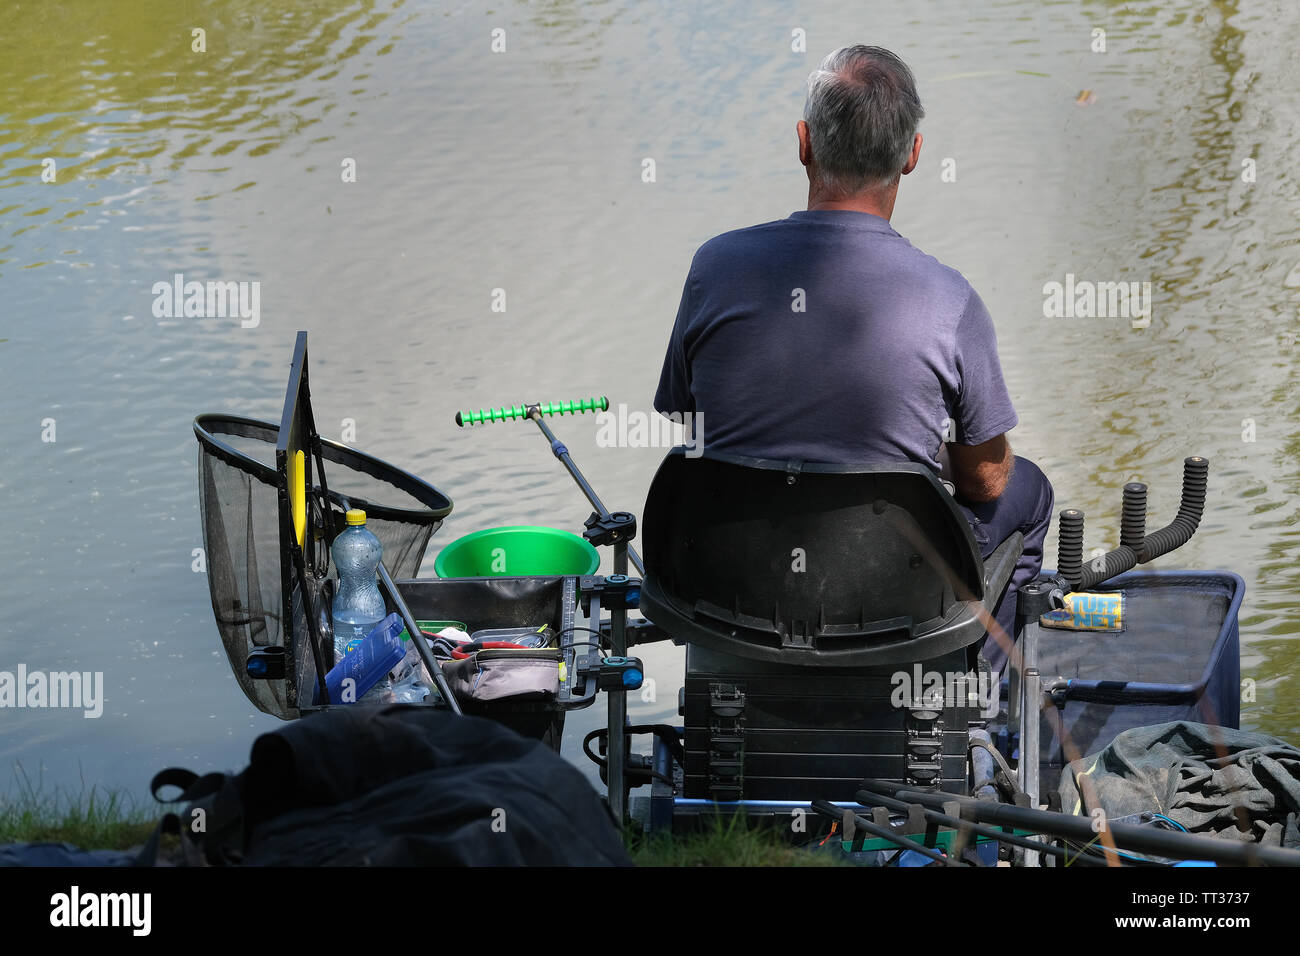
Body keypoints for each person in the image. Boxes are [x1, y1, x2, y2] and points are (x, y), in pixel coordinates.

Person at [652, 44, 1053, 678]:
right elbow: (986, 483)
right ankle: (970, 701)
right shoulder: (950, 298)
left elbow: (692, 421)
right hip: (889, 586)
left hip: (734, 580)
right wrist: (921, 453)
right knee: (1026, 487)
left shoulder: (714, 266)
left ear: (804, 142)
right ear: (914, 155)